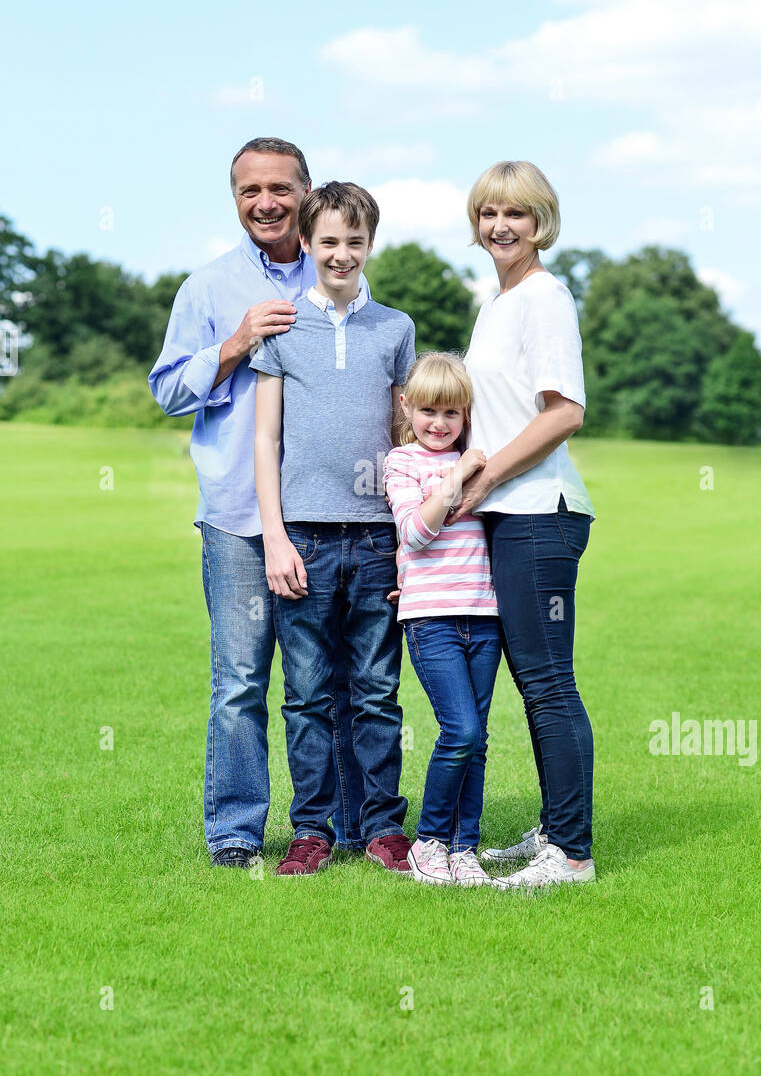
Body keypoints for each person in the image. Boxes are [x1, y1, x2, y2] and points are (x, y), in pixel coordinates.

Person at [148, 138, 366, 867]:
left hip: (324, 515)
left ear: (306, 192)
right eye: (250, 191)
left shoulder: (337, 268)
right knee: (240, 681)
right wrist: (236, 343)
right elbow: (168, 390)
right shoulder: (207, 288)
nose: (266, 203)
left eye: (280, 188)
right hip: (239, 517)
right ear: (234, 199)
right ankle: (236, 832)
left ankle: (331, 826)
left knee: (328, 681)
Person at [252, 181, 416, 875]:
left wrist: (410, 545)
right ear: (309, 245)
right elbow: (265, 441)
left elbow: (409, 438)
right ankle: (311, 831)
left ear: (368, 244)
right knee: (307, 696)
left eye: (354, 241)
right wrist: (275, 537)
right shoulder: (285, 326)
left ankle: (381, 828)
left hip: (378, 539)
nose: (341, 254)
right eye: (328, 242)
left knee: (378, 694)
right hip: (306, 541)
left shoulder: (395, 329)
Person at [454, 160, 597, 889]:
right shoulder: (497, 304)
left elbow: (563, 411)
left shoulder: (544, 296)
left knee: (546, 683)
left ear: (541, 221)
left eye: (516, 213)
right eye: (488, 214)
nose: (500, 226)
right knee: (532, 681)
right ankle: (555, 826)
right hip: (507, 512)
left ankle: (569, 853)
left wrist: (482, 478)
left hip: (539, 513)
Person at [384, 353, 501, 888]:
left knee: (476, 740)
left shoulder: (482, 461)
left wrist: (472, 466)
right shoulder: (402, 463)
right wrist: (458, 472)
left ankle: (464, 847)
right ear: (408, 408)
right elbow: (415, 533)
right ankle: (428, 842)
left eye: (451, 414)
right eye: (429, 410)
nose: (439, 423)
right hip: (430, 618)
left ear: (466, 415)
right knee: (461, 731)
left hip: (484, 615)